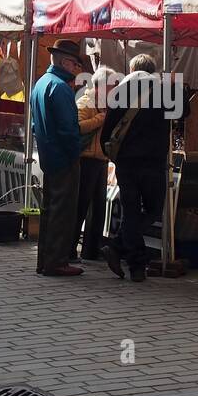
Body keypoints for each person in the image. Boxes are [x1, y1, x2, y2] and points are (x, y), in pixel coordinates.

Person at [101, 53, 172, 283]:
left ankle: (125, 253)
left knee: (131, 212)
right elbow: (186, 112)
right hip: (154, 163)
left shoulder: (120, 92)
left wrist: (113, 154)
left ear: (131, 70)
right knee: (153, 210)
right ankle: (131, 259)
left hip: (126, 163)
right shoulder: (164, 91)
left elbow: (107, 130)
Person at [29, 39, 86, 277]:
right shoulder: (60, 87)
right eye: (75, 64)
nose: (76, 69)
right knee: (62, 211)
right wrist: (76, 153)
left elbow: (35, 125)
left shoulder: (41, 83)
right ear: (64, 61)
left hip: (48, 155)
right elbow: (68, 129)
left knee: (50, 209)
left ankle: (46, 260)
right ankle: (56, 262)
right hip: (63, 158)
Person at [71, 66, 114, 264]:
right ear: (100, 86)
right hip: (86, 160)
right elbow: (78, 127)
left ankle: (91, 250)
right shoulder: (85, 101)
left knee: (98, 208)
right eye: (112, 86)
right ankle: (70, 248)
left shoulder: (105, 103)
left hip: (101, 160)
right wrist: (100, 119)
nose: (114, 90)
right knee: (81, 205)